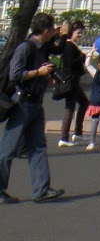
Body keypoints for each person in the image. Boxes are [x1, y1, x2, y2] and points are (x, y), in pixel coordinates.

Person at [0, 12, 64, 204]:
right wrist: (38, 72)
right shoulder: (25, 47)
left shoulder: (43, 48)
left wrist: (48, 78)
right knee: (8, 150)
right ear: (45, 31)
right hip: (22, 104)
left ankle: (41, 190)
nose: (54, 33)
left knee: (38, 146)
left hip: (36, 103)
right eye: (52, 30)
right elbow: (15, 75)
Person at [52, 20, 89, 146]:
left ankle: (78, 133)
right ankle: (64, 137)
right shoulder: (69, 45)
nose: (80, 35)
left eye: (81, 33)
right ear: (71, 32)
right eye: (78, 32)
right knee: (70, 107)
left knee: (83, 103)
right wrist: (83, 57)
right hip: (70, 80)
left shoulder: (72, 45)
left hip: (73, 80)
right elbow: (70, 63)